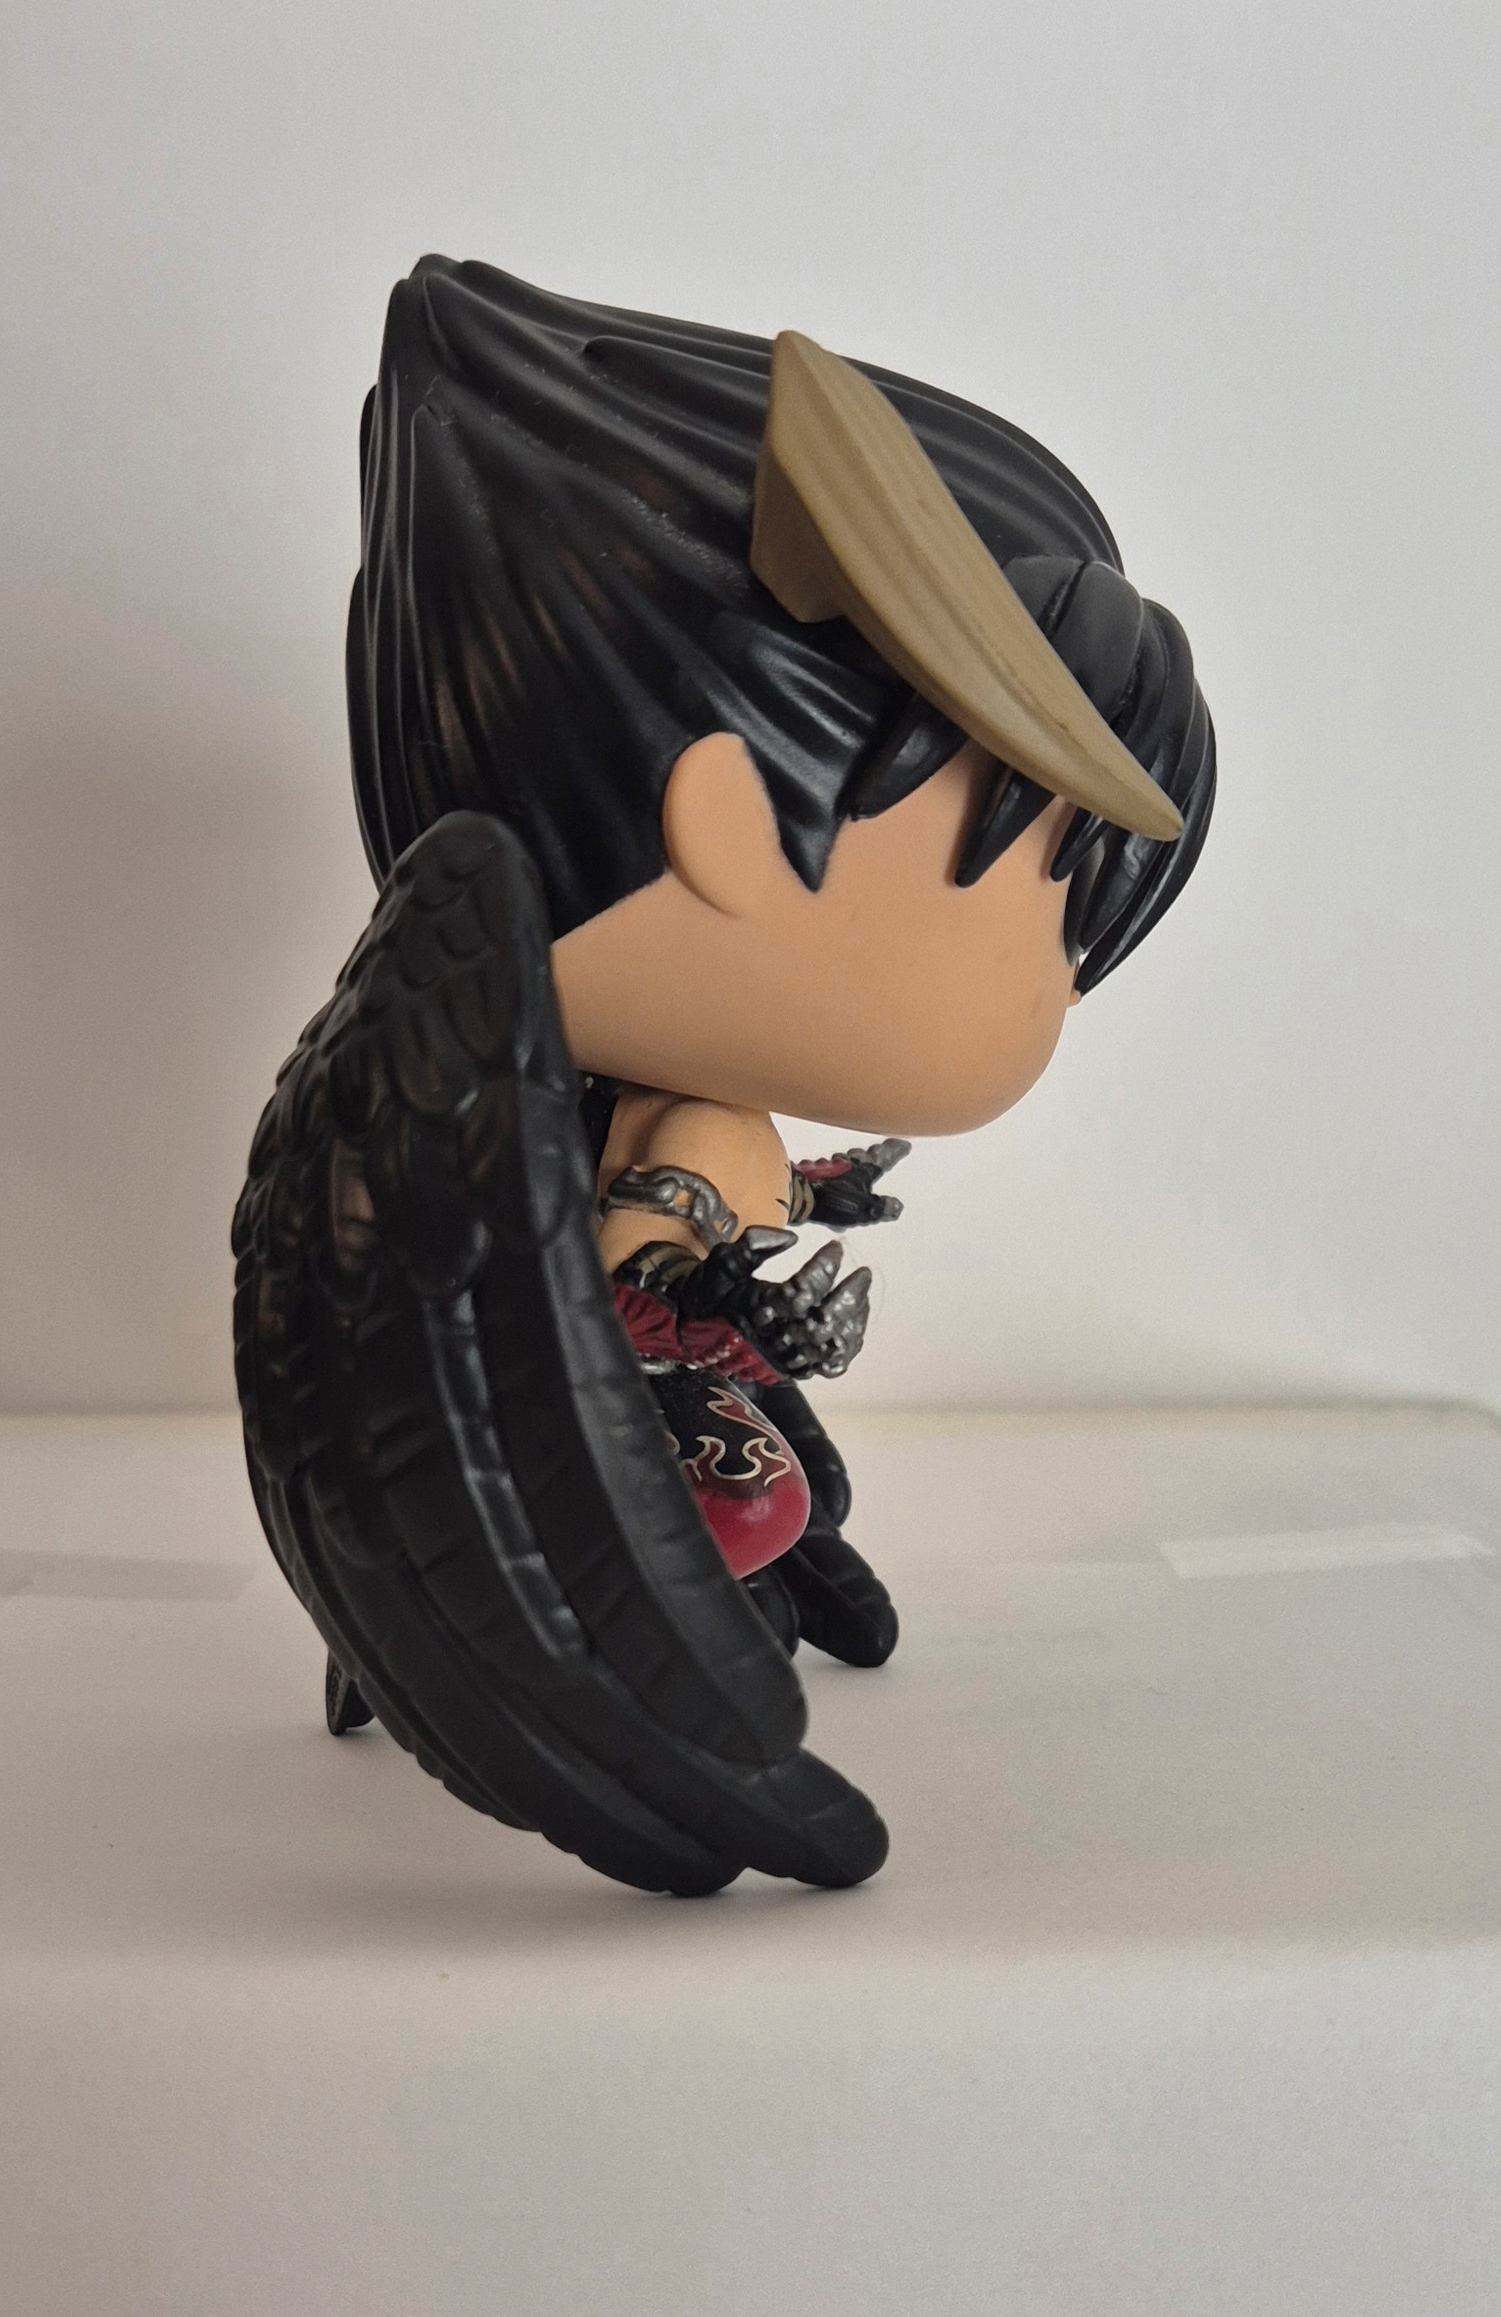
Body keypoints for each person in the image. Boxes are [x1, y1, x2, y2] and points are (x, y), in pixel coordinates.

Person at [233, 259, 1215, 1896]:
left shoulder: (631, 1103)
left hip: (685, 1370)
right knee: (741, 1489)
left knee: (788, 1484)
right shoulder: (519, 1112)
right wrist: (745, 1316)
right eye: (1049, 885)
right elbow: (638, 1275)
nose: (1063, 970)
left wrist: (814, 1194)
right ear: (729, 822)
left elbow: (680, 1197)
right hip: (658, 1403)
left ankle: (725, 1594)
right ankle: (650, 1642)